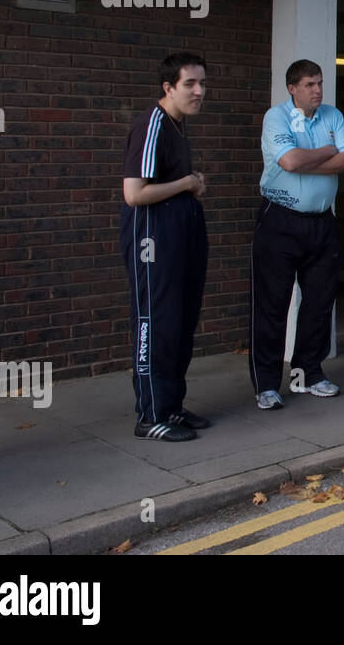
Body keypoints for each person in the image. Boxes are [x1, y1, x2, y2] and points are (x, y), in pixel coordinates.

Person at [250, 60, 344, 409]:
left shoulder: (332, 116)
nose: (318, 91)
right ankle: (267, 384)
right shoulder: (276, 118)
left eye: (320, 83)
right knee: (272, 303)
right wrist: (329, 151)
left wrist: (312, 159)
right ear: (292, 88)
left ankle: (309, 373)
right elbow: (290, 162)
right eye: (310, 84)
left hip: (321, 222)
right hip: (280, 221)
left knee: (319, 300)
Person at [119, 52, 210, 442]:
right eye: (189, 84)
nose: (199, 91)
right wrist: (187, 184)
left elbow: (171, 180)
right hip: (152, 241)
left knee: (180, 323)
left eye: (202, 83)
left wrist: (191, 182)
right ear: (168, 87)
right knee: (154, 323)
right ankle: (150, 415)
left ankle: (171, 406)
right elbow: (134, 194)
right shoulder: (151, 124)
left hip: (179, 235)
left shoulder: (177, 125)